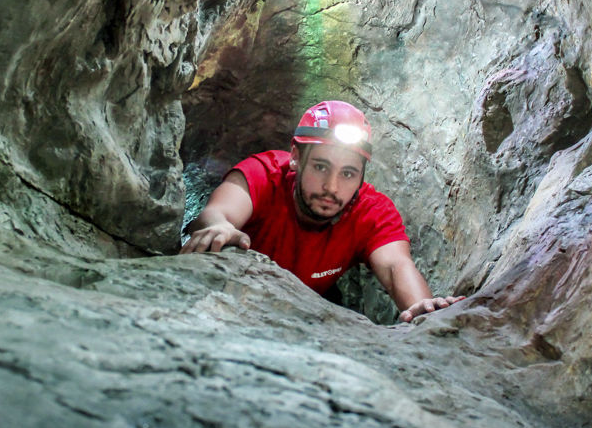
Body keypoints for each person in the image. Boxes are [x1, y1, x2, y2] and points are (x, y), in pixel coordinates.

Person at [180, 100, 463, 322]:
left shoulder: (371, 211)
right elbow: (218, 213)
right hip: (224, 307)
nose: (332, 187)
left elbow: (395, 266)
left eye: (348, 173)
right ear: (295, 158)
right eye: (320, 167)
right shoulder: (265, 174)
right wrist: (220, 226)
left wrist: (423, 308)